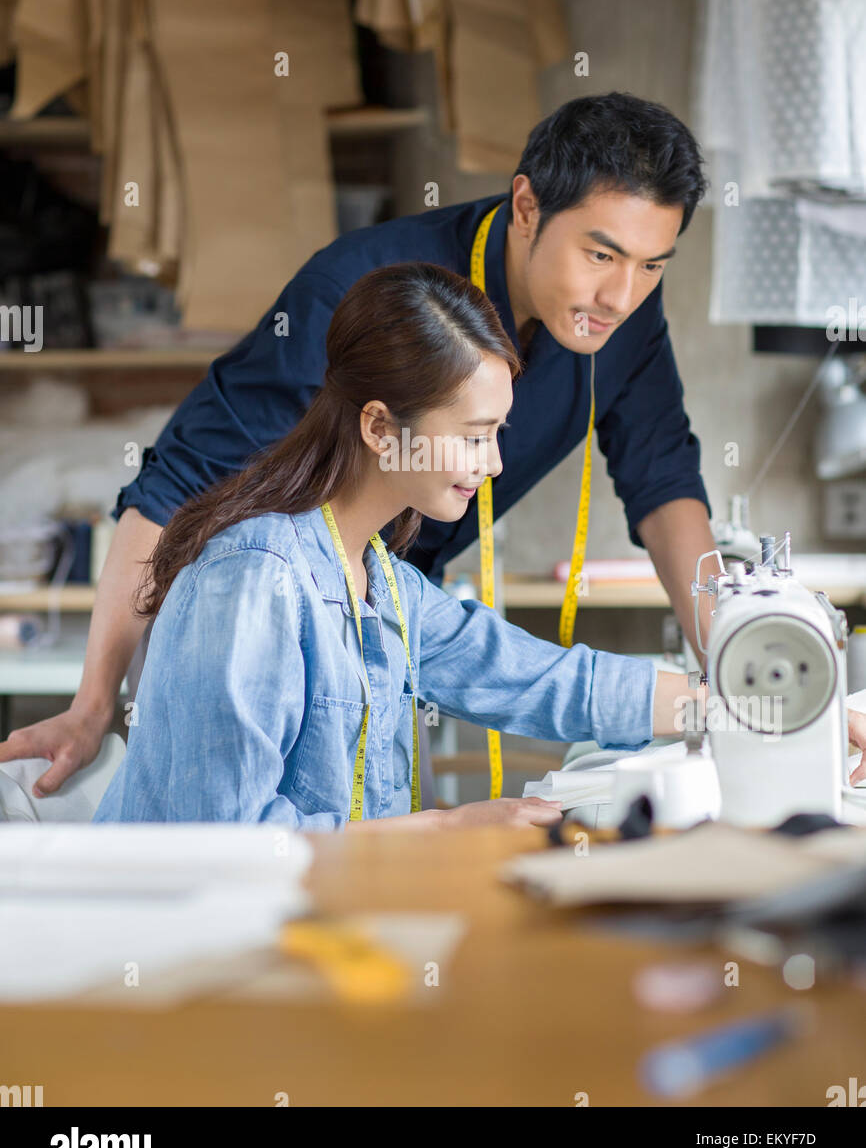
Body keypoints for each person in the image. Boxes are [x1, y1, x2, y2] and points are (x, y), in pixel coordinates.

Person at [94, 263, 714, 829]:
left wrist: (724, 706)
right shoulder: (255, 577)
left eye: (497, 434)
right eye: (474, 437)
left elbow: (539, 681)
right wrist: (445, 829)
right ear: (380, 427)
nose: (495, 463)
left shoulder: (383, 582)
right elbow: (230, 837)